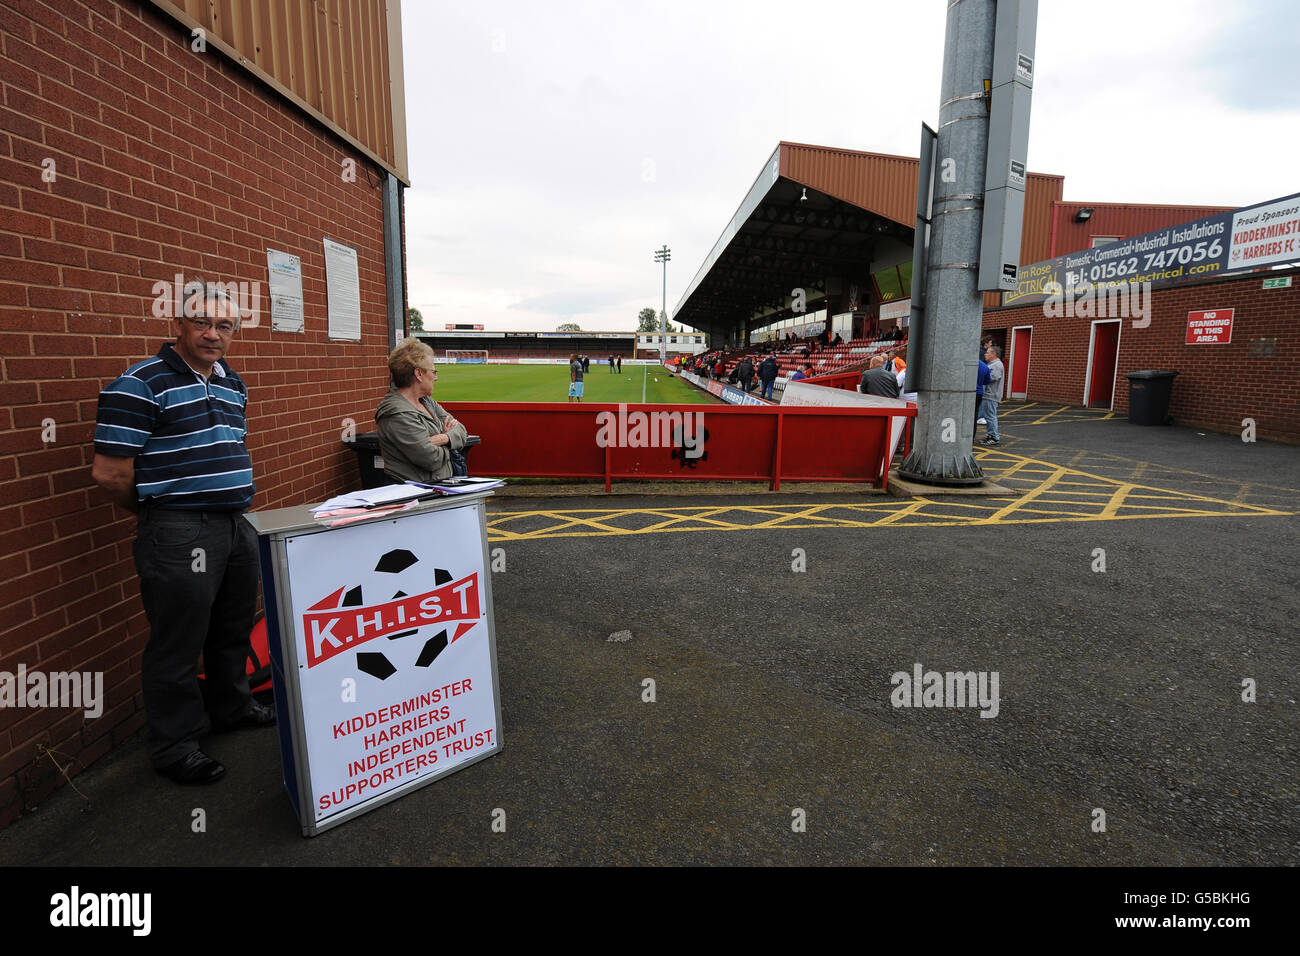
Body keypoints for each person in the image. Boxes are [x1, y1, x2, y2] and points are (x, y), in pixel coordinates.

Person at [92, 281, 272, 786]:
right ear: (178, 325)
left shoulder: (231, 382)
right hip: (177, 528)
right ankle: (176, 746)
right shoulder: (140, 383)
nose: (214, 334)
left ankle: (231, 708)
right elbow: (110, 473)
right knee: (178, 641)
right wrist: (159, 512)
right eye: (202, 323)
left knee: (231, 627)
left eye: (225, 326)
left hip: (234, 523)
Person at [375, 340, 469, 481]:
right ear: (419, 374)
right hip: (414, 496)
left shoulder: (426, 401)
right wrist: (450, 440)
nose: (436, 377)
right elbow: (431, 459)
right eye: (433, 371)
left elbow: (461, 430)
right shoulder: (396, 414)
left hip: (438, 490)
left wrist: (443, 438)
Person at [980, 345, 1004, 445]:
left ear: (994, 354)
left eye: (988, 352)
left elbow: (992, 378)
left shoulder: (996, 365)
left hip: (991, 395)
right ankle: (991, 435)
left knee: (990, 416)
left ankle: (994, 437)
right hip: (988, 395)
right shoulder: (992, 365)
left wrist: (982, 375)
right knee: (989, 416)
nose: (985, 354)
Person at [974, 353, 990, 438]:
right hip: (979, 393)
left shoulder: (966, 363)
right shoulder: (984, 366)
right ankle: (971, 438)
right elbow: (987, 381)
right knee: (974, 417)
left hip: (966, 393)